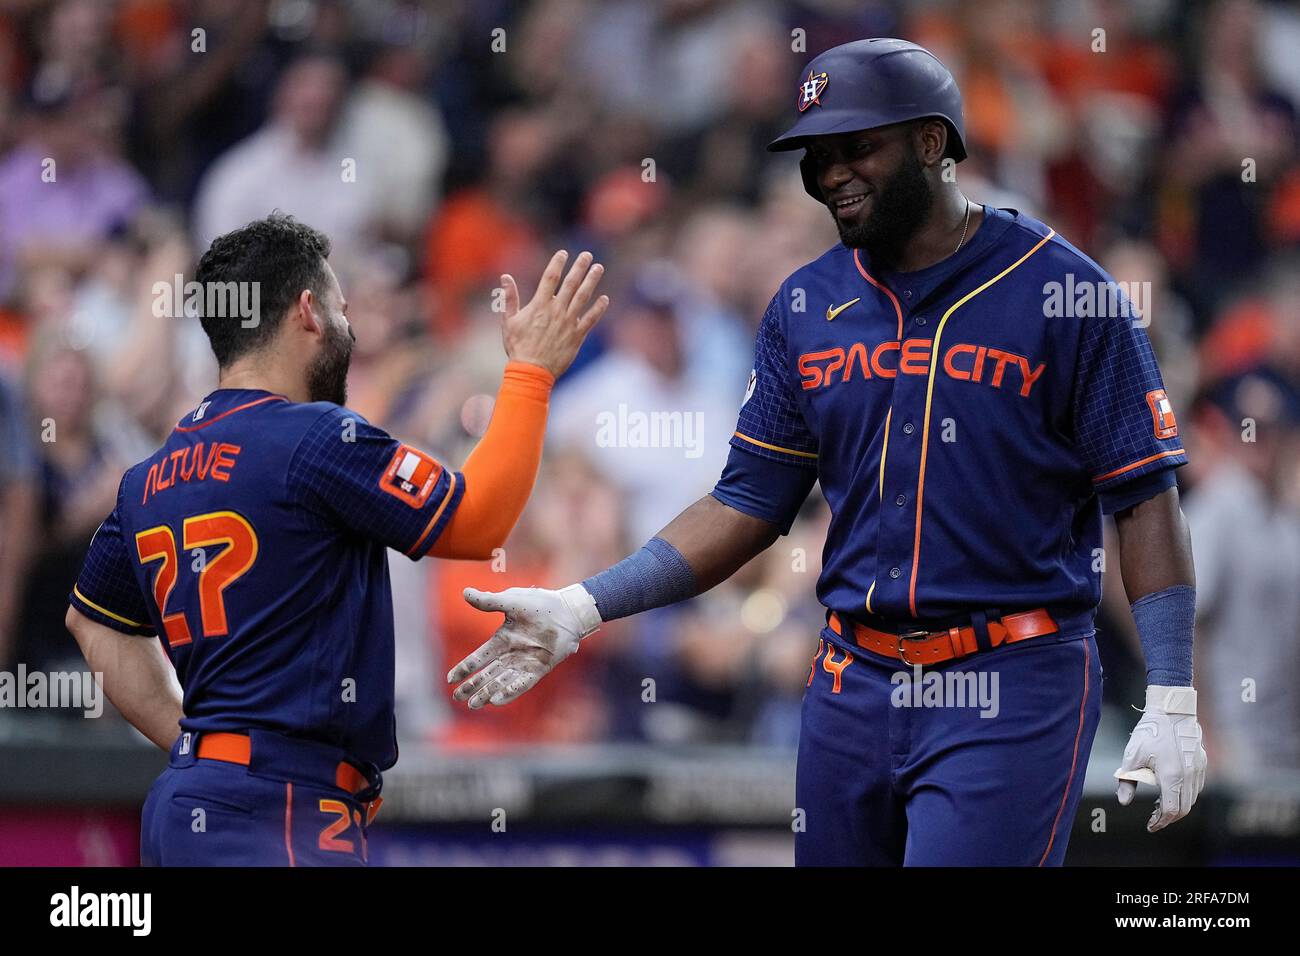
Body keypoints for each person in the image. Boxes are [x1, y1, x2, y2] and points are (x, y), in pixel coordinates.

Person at [451, 39, 1207, 866]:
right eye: (818, 156)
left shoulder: (1066, 292)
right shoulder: (808, 302)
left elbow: (1141, 494)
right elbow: (746, 502)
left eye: (857, 147)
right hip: (853, 679)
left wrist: (1170, 690)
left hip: (1010, 679)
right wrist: (588, 603)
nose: (833, 173)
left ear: (931, 141)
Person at [64, 213, 607, 866]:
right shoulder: (316, 437)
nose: (349, 328)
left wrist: (198, 747)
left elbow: (92, 622)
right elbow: (479, 520)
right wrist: (531, 372)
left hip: (191, 804)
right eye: (342, 308)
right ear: (308, 313)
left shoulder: (147, 477)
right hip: (280, 810)